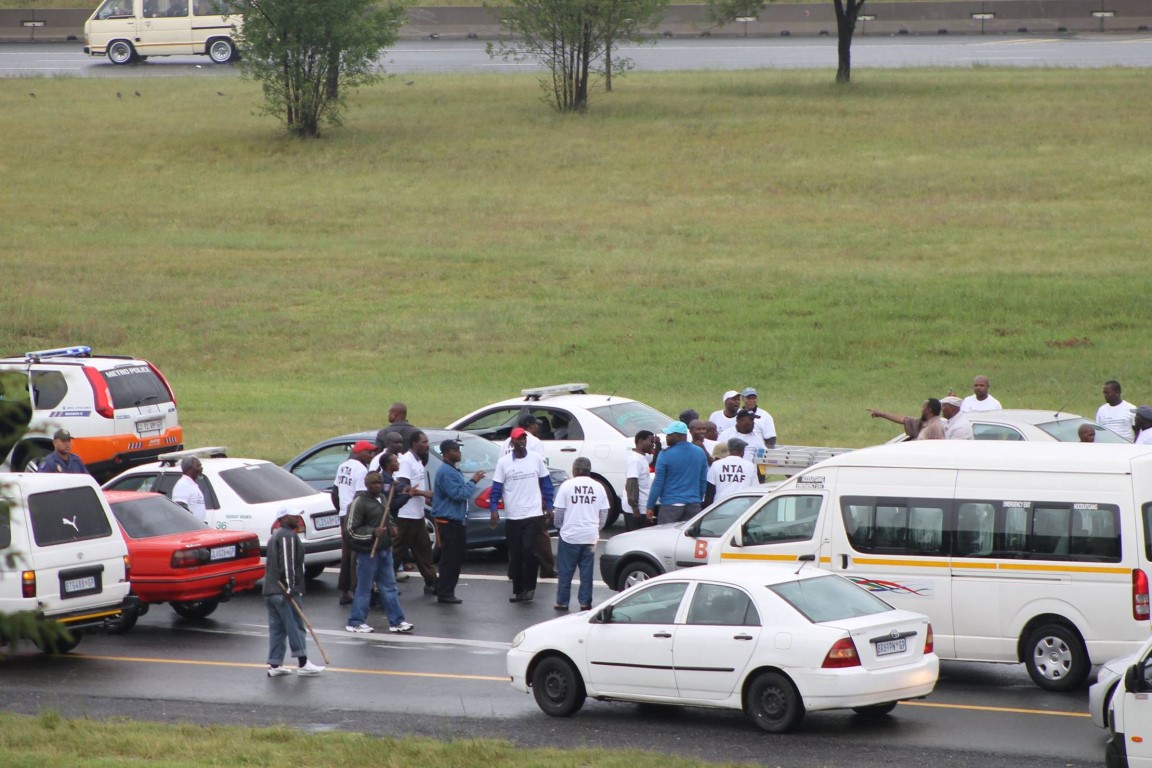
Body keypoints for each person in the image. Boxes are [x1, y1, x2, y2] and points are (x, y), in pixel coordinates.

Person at [490, 427, 554, 603]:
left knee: (530, 551)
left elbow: (546, 483)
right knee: (516, 554)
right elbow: (496, 488)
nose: (522, 442)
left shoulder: (535, 459)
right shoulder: (504, 463)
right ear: (512, 443)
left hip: (533, 514)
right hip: (513, 515)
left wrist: (549, 505)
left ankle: (530, 588)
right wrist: (494, 509)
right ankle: (518, 590)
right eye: (518, 439)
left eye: (524, 439)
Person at [345, 472, 411, 633]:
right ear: (367, 485)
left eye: (379, 483)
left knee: (389, 586)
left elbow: (386, 517)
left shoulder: (382, 498)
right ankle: (355, 622)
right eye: (374, 483)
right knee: (364, 588)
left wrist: (392, 526)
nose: (377, 486)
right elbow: (351, 530)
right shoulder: (358, 503)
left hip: (384, 550)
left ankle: (397, 621)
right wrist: (373, 532)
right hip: (368, 552)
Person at [263, 511, 325, 677]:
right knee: (295, 626)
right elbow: (288, 563)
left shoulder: (277, 536)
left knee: (277, 628)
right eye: (293, 516)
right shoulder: (287, 536)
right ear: (283, 518)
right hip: (283, 591)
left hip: (272, 590)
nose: (297, 518)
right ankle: (303, 662)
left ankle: (275, 665)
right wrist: (290, 588)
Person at [499, 413, 556, 577]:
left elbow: (501, 469)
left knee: (515, 538)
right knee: (541, 533)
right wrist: (544, 499)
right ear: (530, 425)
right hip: (531, 496)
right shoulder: (535, 442)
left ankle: (513, 570)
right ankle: (546, 569)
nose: (537, 427)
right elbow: (539, 471)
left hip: (512, 496)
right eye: (535, 424)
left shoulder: (505, 443)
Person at [552, 458, 609, 612]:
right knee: (586, 572)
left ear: (575, 470)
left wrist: (559, 527)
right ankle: (585, 602)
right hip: (590, 536)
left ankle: (562, 601)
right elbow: (604, 512)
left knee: (565, 571)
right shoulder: (599, 487)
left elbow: (559, 512)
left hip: (570, 535)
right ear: (588, 470)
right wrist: (598, 527)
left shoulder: (567, 486)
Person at [432, 439, 485, 604]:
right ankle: (445, 592)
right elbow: (458, 494)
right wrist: (474, 481)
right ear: (447, 452)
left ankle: (443, 588)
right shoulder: (447, 472)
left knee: (452, 557)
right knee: (451, 558)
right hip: (449, 522)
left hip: (454, 521)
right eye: (455, 450)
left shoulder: (452, 470)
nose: (459, 453)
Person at [394, 430, 438, 595]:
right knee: (397, 551)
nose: (427, 445)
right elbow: (402, 487)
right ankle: (381, 582)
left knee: (424, 549)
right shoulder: (406, 461)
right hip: (405, 515)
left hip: (417, 514)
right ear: (414, 443)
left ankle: (431, 581)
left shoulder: (418, 461)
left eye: (427, 442)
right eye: (424, 442)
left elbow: (416, 486)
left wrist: (425, 498)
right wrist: (423, 494)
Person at [333, 439, 375, 605]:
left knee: (346, 553)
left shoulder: (343, 466)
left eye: (372, 452)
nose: (371, 455)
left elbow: (335, 492)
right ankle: (357, 589)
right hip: (355, 516)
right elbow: (361, 496)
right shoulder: (361, 469)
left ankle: (344, 591)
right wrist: (360, 516)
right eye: (368, 452)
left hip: (345, 514)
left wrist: (342, 510)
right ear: (359, 452)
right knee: (357, 554)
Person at [646, 421, 708, 526]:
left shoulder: (665, 454)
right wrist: (697, 499)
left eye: (669, 435)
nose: (666, 437)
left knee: (666, 538)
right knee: (688, 539)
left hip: (670, 505)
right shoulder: (699, 452)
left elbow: (658, 483)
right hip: (693, 504)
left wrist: (650, 506)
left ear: (679, 436)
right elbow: (702, 481)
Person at [706, 438, 758, 505]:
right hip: (742, 508)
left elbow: (710, 490)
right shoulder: (750, 466)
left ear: (729, 450)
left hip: (719, 506)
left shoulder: (716, 464)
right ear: (742, 451)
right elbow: (754, 489)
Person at [868, 399, 946, 440]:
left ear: (929, 410)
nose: (922, 409)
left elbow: (938, 447)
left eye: (923, 407)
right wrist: (881, 414)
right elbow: (903, 420)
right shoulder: (924, 423)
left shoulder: (936, 426)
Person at [624, 430, 655, 531]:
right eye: (651, 442)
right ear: (641, 441)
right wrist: (635, 509)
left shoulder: (642, 457)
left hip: (642, 507)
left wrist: (658, 446)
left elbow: (654, 461)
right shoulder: (635, 460)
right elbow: (631, 484)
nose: (652, 445)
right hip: (637, 510)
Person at [171, 456, 208, 524]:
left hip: (199, 528)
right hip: (192, 529)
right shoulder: (182, 484)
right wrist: (194, 524)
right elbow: (180, 508)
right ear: (190, 469)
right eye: (198, 466)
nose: (201, 468)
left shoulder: (192, 485)